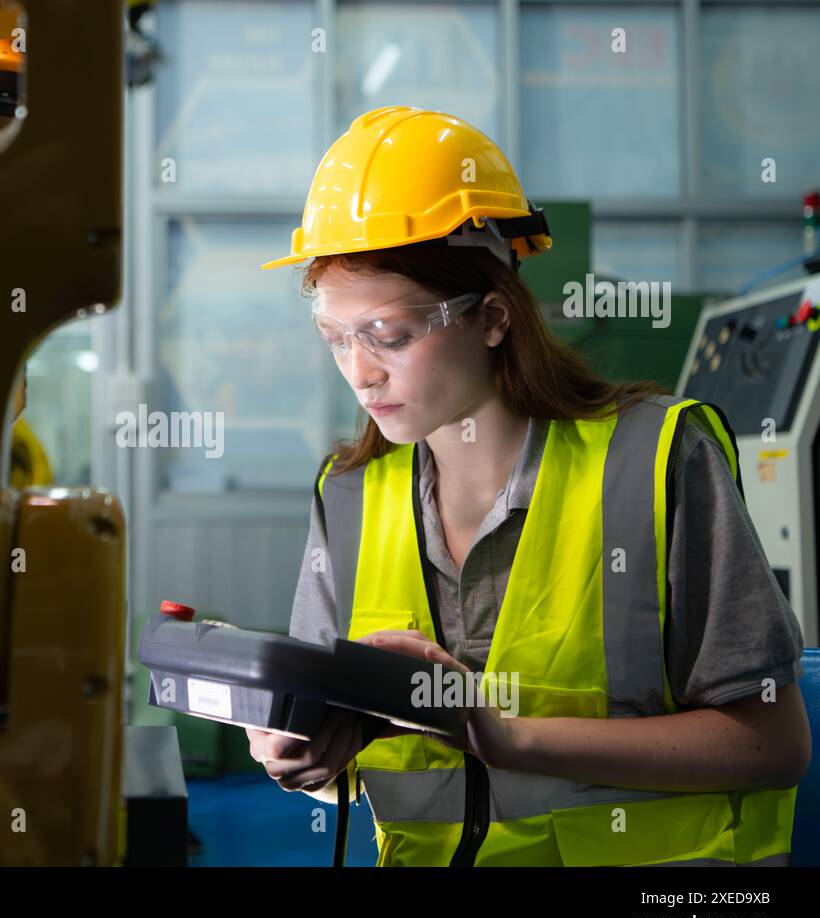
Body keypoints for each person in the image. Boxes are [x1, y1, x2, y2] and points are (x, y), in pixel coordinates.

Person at [245, 106, 810, 866]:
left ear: (493, 318)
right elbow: (353, 764)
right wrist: (306, 762)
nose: (360, 370)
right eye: (336, 336)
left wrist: (501, 734)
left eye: (389, 334)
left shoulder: (656, 460)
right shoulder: (348, 496)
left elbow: (774, 743)